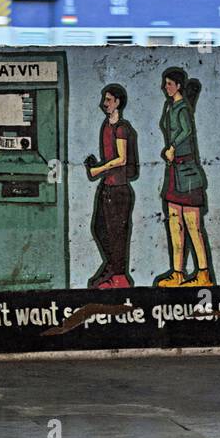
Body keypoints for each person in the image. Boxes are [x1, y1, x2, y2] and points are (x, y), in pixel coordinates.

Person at [155, 67, 213, 289]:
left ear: (179, 85)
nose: (166, 87)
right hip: (173, 171)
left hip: (187, 171)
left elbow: (186, 131)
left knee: (192, 225)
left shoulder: (183, 109)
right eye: (165, 83)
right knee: (174, 224)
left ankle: (203, 273)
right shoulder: (170, 106)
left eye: (169, 83)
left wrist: (172, 146)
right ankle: (178, 273)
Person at [85, 84, 137, 290]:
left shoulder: (121, 128)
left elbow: (122, 159)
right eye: (104, 99)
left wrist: (98, 170)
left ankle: (119, 277)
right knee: (99, 229)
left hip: (119, 190)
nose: (104, 103)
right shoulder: (106, 126)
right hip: (107, 186)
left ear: (117, 102)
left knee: (117, 235)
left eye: (108, 100)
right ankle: (113, 268)